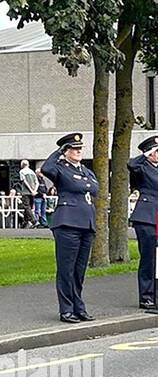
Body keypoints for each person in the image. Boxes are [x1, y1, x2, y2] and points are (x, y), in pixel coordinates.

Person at [41, 133, 98, 323]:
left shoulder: (86, 171)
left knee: (79, 270)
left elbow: (94, 189)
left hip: (86, 223)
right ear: (65, 151)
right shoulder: (60, 169)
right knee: (66, 269)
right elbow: (46, 168)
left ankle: (78, 307)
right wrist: (58, 152)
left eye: (80, 148)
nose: (79, 151)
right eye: (74, 148)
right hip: (68, 223)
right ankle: (66, 309)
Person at [127, 135, 158, 310]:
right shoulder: (142, 167)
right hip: (148, 218)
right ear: (148, 153)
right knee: (149, 258)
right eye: (156, 151)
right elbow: (131, 165)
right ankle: (146, 296)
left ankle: (157, 295)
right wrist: (145, 154)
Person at [17, 159, 38, 228]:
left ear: (22, 165)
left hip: (26, 192)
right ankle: (25, 223)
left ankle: (34, 221)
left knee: (27, 206)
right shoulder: (32, 172)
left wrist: (31, 190)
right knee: (29, 207)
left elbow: (25, 182)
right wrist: (34, 190)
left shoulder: (22, 171)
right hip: (32, 193)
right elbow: (37, 182)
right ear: (28, 164)